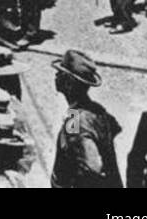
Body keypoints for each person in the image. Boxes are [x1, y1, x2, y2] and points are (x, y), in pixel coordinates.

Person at [50, 49, 123, 188]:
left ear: (69, 82)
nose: (56, 76)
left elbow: (93, 166)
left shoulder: (75, 120)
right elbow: (115, 127)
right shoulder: (96, 109)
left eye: (60, 73)